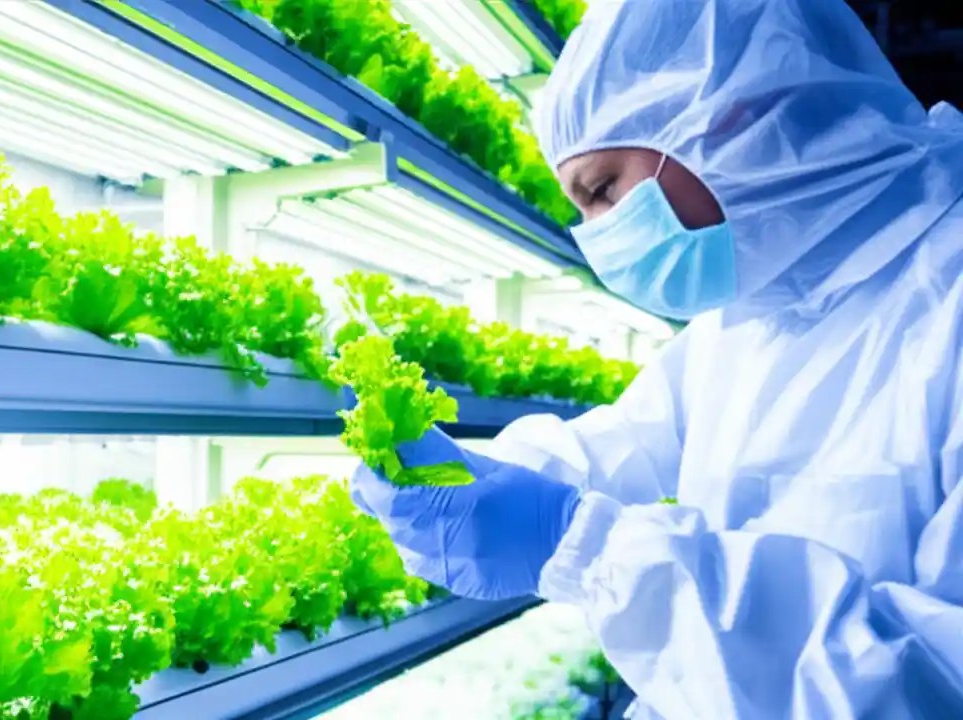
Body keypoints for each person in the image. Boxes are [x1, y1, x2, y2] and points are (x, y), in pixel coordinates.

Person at [348, 0, 963, 717]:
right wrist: (482, 480)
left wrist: (581, 545)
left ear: (727, 114)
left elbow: (926, 682)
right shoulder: (756, 313)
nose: (601, 239)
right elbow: (630, 438)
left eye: (603, 190)